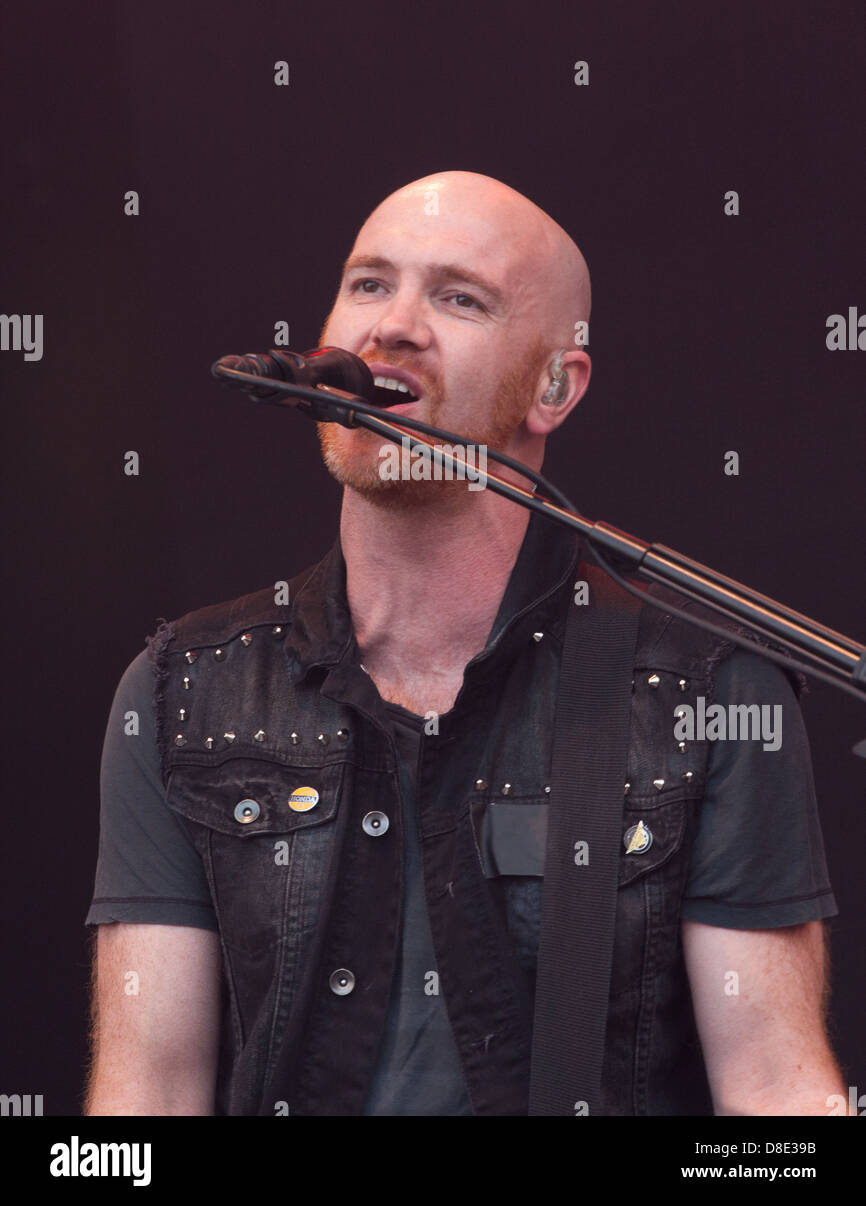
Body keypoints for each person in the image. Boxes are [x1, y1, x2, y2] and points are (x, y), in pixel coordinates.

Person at [84, 170, 846, 1116]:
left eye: (458, 298)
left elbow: (777, 1100)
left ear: (554, 384)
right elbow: (142, 1109)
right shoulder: (182, 689)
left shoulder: (713, 699)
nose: (393, 325)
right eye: (369, 284)